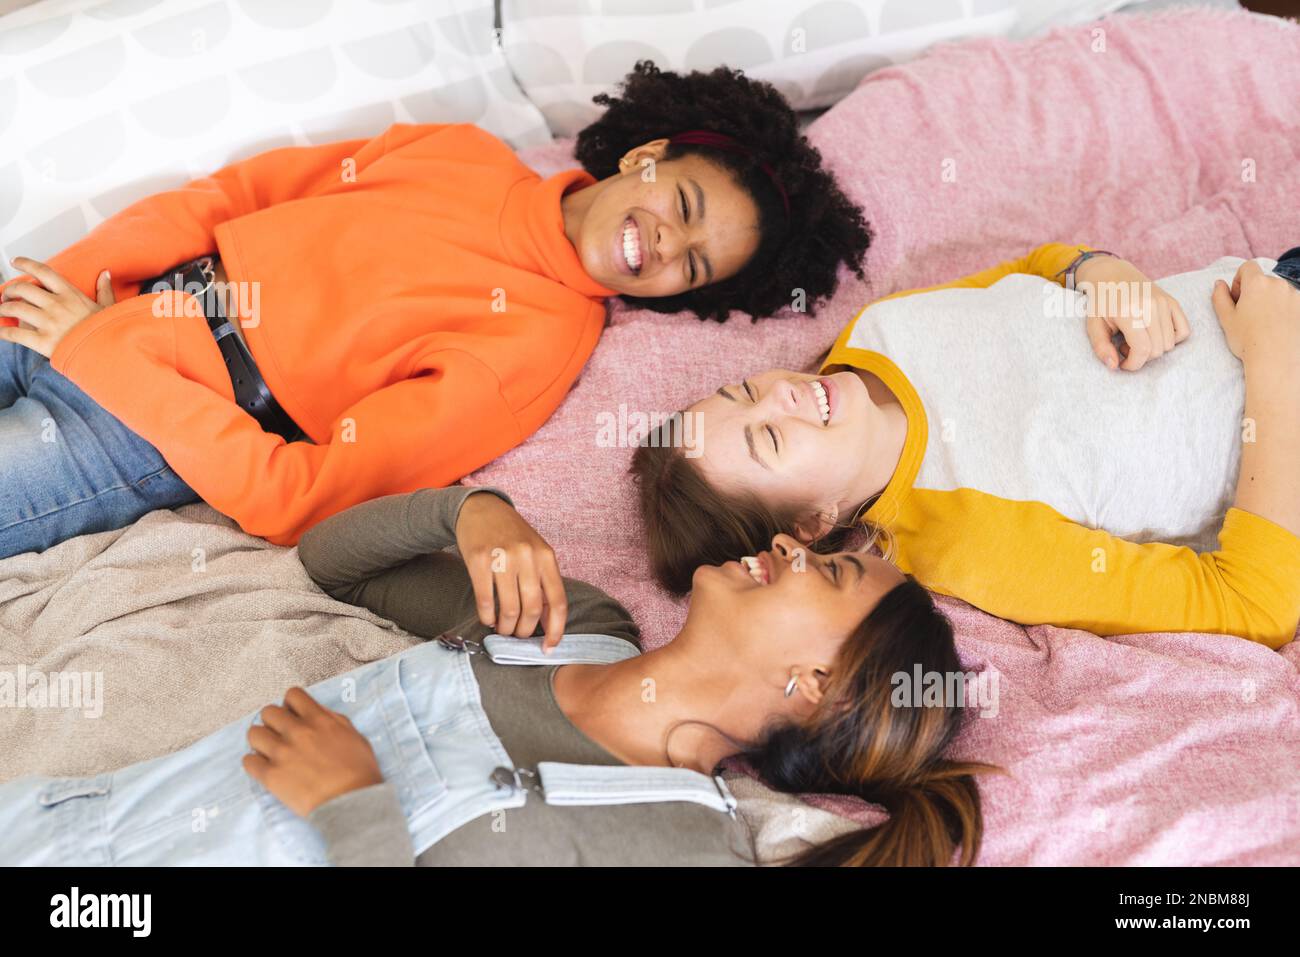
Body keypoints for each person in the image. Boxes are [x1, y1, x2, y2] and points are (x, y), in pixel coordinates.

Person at [0, 61, 871, 559]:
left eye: (695, 266)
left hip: (141, 424)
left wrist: (99, 352)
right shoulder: (458, 153)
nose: (666, 247)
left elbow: (304, 497)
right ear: (643, 155)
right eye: (682, 205)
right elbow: (233, 195)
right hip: (96, 299)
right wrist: (77, 290)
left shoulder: (534, 352)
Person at [0, 485, 993, 867]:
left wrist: (356, 813)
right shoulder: (574, 625)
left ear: (818, 683)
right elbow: (329, 566)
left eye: (828, 571)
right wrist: (473, 511)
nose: (787, 540)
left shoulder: (681, 848)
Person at [631, 245, 1300, 649]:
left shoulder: (876, 330)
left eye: (746, 389)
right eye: (770, 438)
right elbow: (1254, 602)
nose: (785, 396)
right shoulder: (972, 542)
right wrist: (1276, 358)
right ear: (812, 523)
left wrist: (1098, 270)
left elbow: (1037, 268)